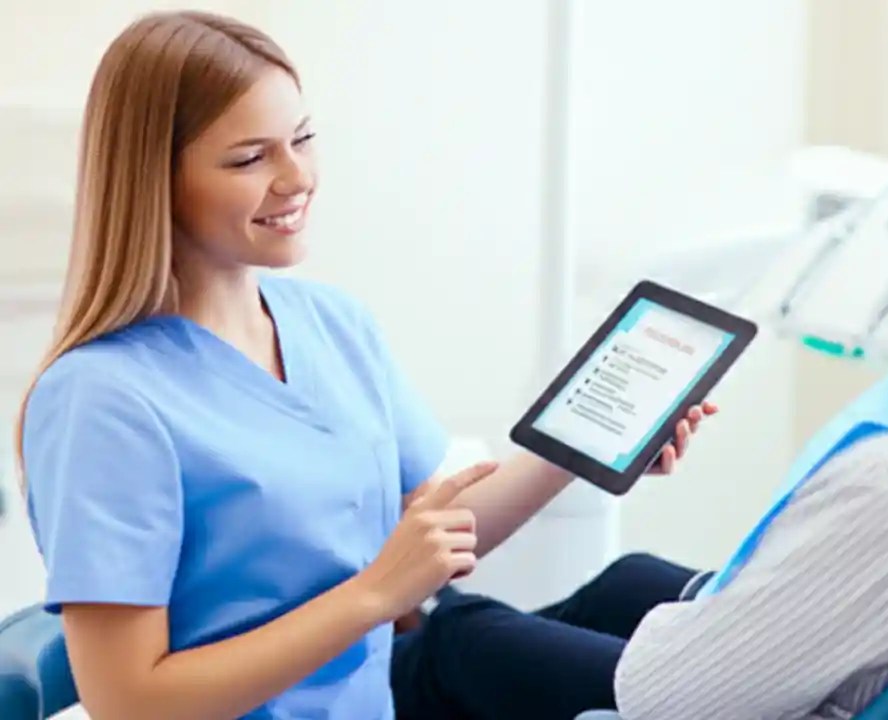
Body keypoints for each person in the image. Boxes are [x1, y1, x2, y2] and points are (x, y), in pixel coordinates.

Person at [394, 19, 888, 720]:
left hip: (747, 695)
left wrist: (713, 621)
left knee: (457, 638)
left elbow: (664, 697)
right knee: (628, 580)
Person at [16, 11, 714, 720]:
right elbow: (128, 700)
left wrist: (587, 445)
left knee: (635, 586)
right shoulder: (102, 399)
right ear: (153, 180)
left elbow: (436, 531)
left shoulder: (333, 325)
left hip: (375, 701)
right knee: (493, 645)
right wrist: (374, 594)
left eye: (303, 139)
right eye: (249, 158)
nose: (298, 178)